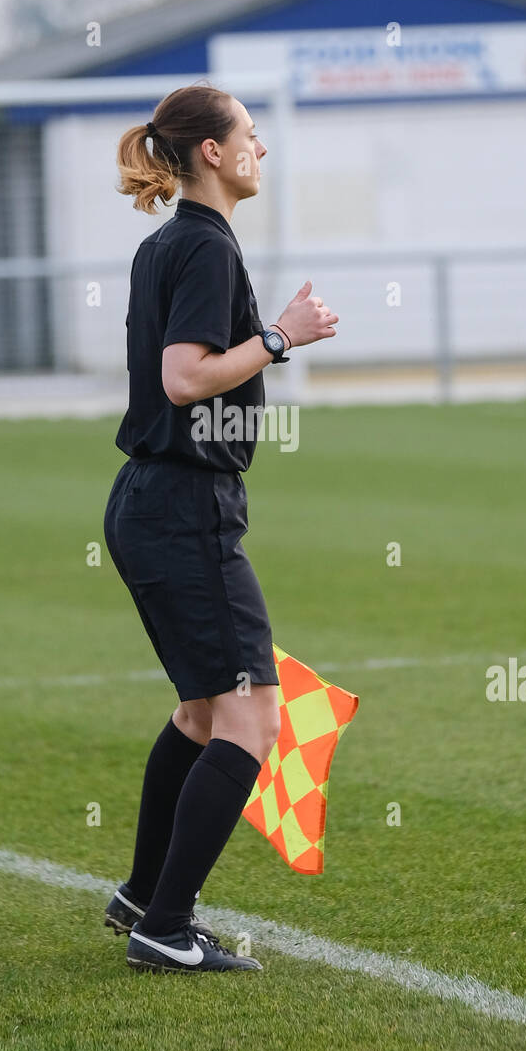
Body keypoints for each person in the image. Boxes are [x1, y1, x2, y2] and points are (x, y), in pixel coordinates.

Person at [103, 82, 338, 973]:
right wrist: (281, 337)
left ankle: (141, 896)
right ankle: (167, 926)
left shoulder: (169, 242)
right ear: (212, 151)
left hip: (155, 502)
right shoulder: (202, 246)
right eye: (248, 133)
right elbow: (184, 378)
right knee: (253, 720)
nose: (260, 148)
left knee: (203, 714)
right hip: (184, 513)